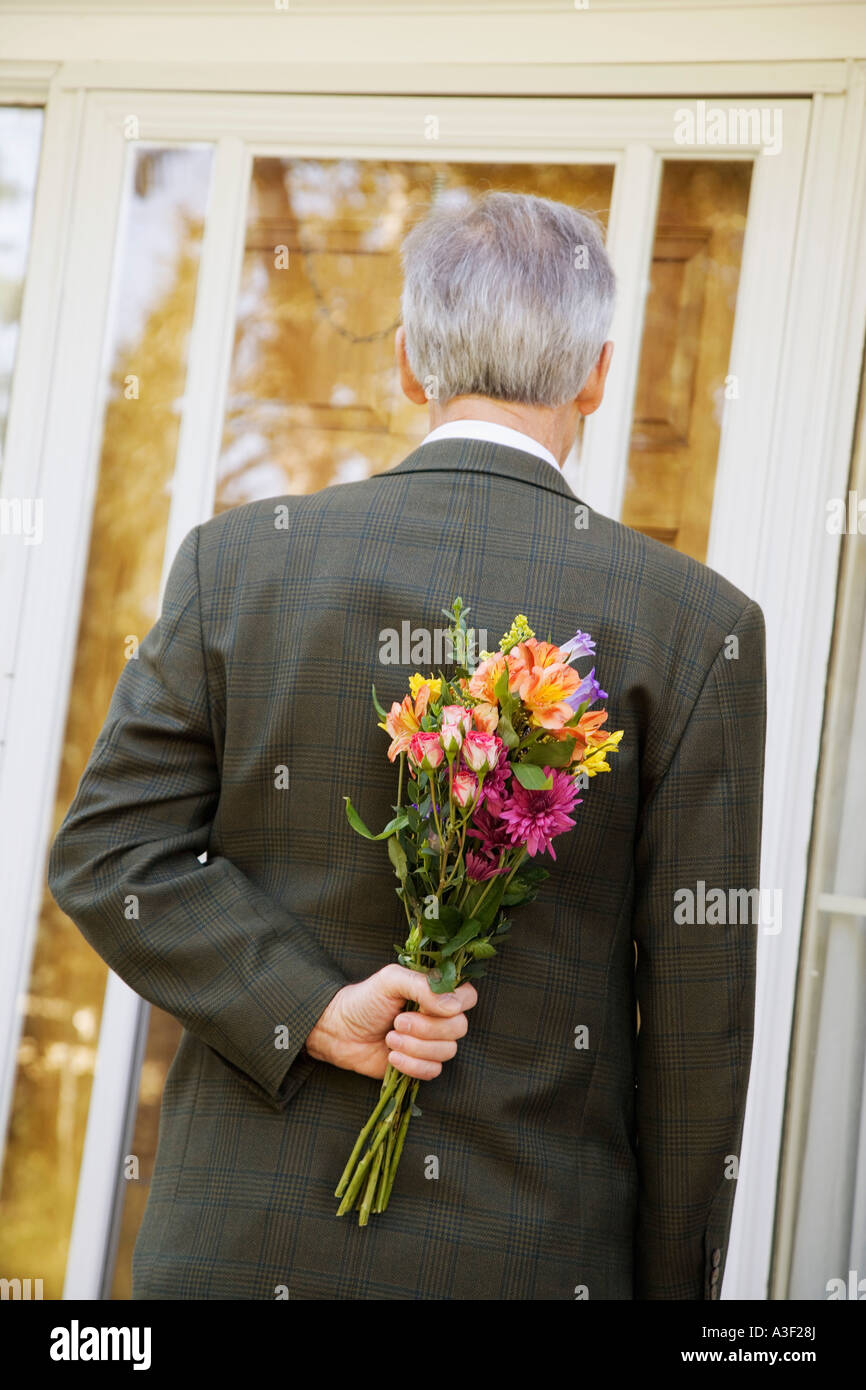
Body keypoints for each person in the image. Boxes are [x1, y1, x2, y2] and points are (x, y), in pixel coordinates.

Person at [48, 190, 766, 1300]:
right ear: (596, 375)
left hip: (235, 1255)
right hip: (525, 1261)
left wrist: (306, 1007)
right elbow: (694, 1035)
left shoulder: (236, 565)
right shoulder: (693, 626)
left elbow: (108, 856)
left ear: (405, 363)